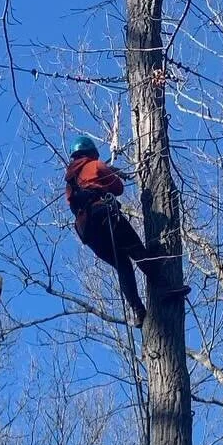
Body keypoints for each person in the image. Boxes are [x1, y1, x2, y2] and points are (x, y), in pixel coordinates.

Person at [64, 135, 155, 318]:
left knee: (123, 266)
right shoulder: (95, 165)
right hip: (106, 217)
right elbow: (118, 189)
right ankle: (165, 286)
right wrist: (110, 174)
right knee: (137, 251)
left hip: (89, 232)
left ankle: (137, 310)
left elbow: (74, 204)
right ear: (91, 152)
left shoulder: (70, 182)